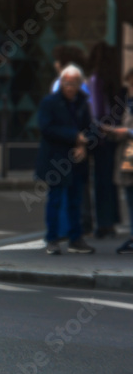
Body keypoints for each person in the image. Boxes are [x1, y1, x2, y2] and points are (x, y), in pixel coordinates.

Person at [37, 65, 95, 255]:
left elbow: (89, 129)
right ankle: (52, 239)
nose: (70, 87)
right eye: (67, 83)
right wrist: (74, 137)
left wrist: (83, 143)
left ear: (79, 85)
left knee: (75, 201)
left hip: (76, 160)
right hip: (56, 159)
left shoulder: (82, 103)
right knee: (55, 200)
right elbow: (46, 128)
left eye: (74, 83)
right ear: (61, 83)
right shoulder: (50, 103)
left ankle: (75, 238)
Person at [87, 42, 122, 238]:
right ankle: (111, 221)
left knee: (100, 182)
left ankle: (103, 224)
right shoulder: (114, 80)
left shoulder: (96, 79)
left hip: (100, 136)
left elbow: (97, 111)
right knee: (111, 181)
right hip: (114, 135)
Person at [106, 68, 133, 254]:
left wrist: (126, 132)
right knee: (130, 198)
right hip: (128, 157)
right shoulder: (127, 103)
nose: (130, 87)